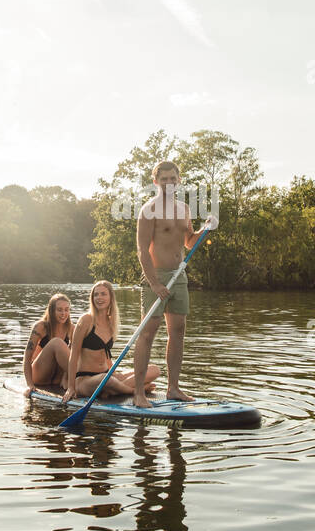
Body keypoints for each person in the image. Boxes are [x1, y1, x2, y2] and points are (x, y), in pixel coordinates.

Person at [133, 160, 217, 408]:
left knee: (178, 331)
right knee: (148, 333)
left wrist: (205, 229)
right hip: (155, 276)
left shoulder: (184, 209)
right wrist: (155, 283)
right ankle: (139, 393)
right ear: (155, 182)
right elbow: (142, 251)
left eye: (173, 178)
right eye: (164, 179)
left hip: (179, 275)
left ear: (179, 180)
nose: (169, 183)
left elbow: (189, 242)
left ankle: (173, 388)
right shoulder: (148, 210)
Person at [63, 280, 160, 402]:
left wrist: (117, 374)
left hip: (107, 374)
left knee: (154, 370)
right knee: (106, 380)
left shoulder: (111, 322)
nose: (99, 297)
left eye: (103, 294)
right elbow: (73, 355)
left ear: (111, 298)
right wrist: (71, 388)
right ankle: (135, 390)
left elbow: (105, 355)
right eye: (96, 294)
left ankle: (112, 390)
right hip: (85, 380)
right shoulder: (86, 320)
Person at [23, 293, 75, 396]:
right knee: (57, 342)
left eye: (66, 310)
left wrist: (65, 378)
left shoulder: (71, 328)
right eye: (59, 310)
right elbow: (27, 358)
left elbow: (73, 356)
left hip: (57, 379)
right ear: (51, 311)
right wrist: (29, 384)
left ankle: (83, 380)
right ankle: (80, 380)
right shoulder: (40, 327)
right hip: (39, 376)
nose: (63, 313)